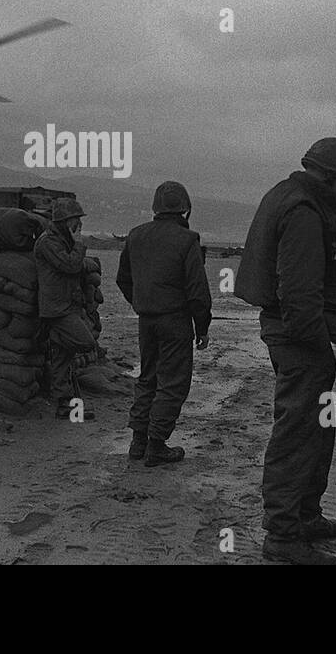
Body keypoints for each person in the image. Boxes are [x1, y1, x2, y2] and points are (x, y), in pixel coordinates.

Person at [235, 137, 336, 565]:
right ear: (326, 176)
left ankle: (306, 514)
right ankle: (284, 535)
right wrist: (315, 345)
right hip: (299, 337)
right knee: (298, 433)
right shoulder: (304, 212)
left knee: (317, 428)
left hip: (299, 335)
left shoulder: (287, 194)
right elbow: (299, 292)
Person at [116, 181, 212, 467]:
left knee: (147, 378)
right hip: (175, 322)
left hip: (146, 321)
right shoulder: (188, 240)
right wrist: (202, 327)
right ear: (185, 209)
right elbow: (197, 291)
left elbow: (123, 279)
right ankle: (157, 446)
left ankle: (138, 442)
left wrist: (141, 303)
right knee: (172, 383)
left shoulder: (136, 235)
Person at [35, 198, 98, 421]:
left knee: (63, 358)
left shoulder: (63, 241)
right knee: (86, 342)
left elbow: (77, 266)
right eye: (74, 220)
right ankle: (57, 337)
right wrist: (79, 243)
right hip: (56, 308)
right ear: (63, 221)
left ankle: (64, 404)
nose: (78, 224)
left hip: (66, 305)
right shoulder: (48, 243)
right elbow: (71, 265)